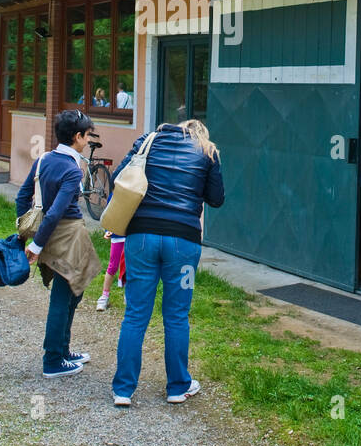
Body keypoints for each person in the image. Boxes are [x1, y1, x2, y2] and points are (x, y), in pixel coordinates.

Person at [111, 118, 224, 407]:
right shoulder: (207, 151)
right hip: (183, 244)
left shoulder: (147, 142)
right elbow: (216, 198)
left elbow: (118, 179)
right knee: (177, 315)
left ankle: (123, 390)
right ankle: (177, 387)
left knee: (135, 313)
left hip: (142, 238)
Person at [16, 110, 102, 378]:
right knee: (63, 296)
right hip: (67, 236)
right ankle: (53, 360)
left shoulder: (43, 160)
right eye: (87, 136)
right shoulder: (71, 169)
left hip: (51, 235)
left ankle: (63, 350)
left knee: (74, 292)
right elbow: (55, 211)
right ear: (77, 137)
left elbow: (22, 197)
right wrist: (36, 246)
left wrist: (26, 234)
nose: (88, 141)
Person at [95, 230, 125, 311]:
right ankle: (104, 296)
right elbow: (109, 218)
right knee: (113, 267)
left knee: (130, 267)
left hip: (133, 236)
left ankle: (129, 295)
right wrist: (108, 230)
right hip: (117, 236)